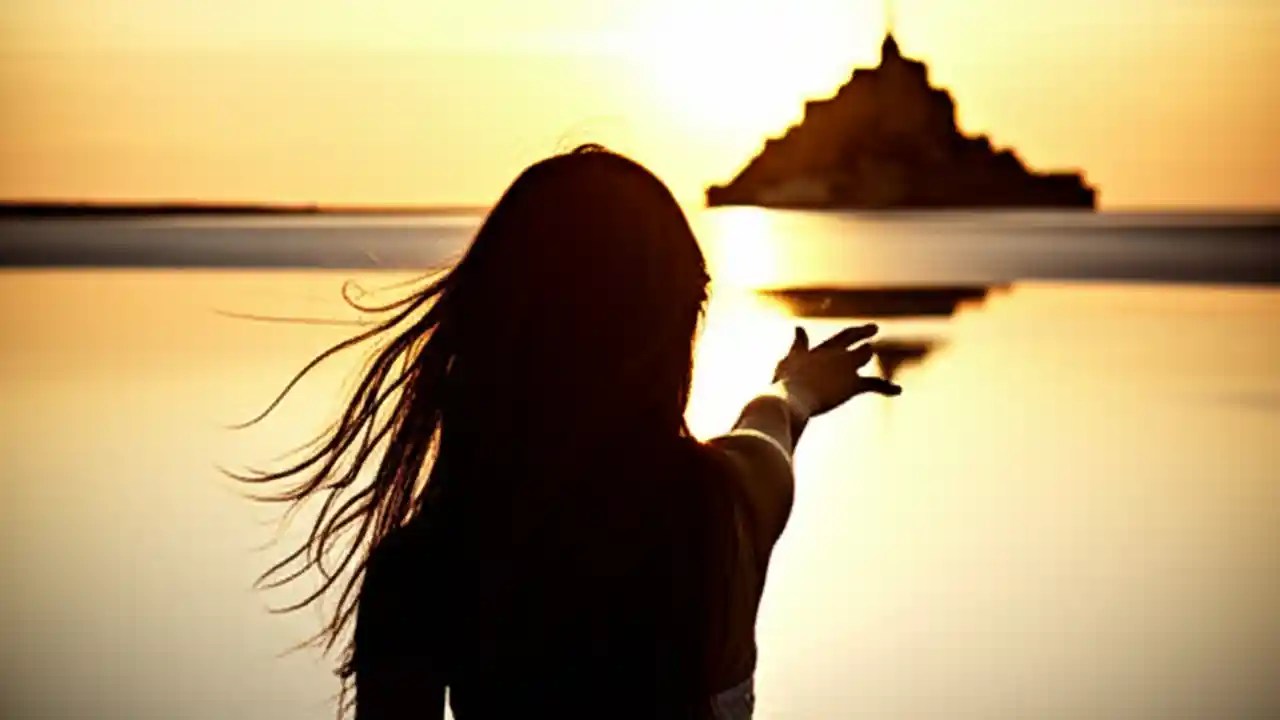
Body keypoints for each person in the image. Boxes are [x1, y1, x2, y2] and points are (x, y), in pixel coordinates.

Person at [242, 145, 900, 720]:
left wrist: (792, 392)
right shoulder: (732, 501)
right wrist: (801, 382)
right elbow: (776, 418)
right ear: (669, 325)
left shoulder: (428, 564)